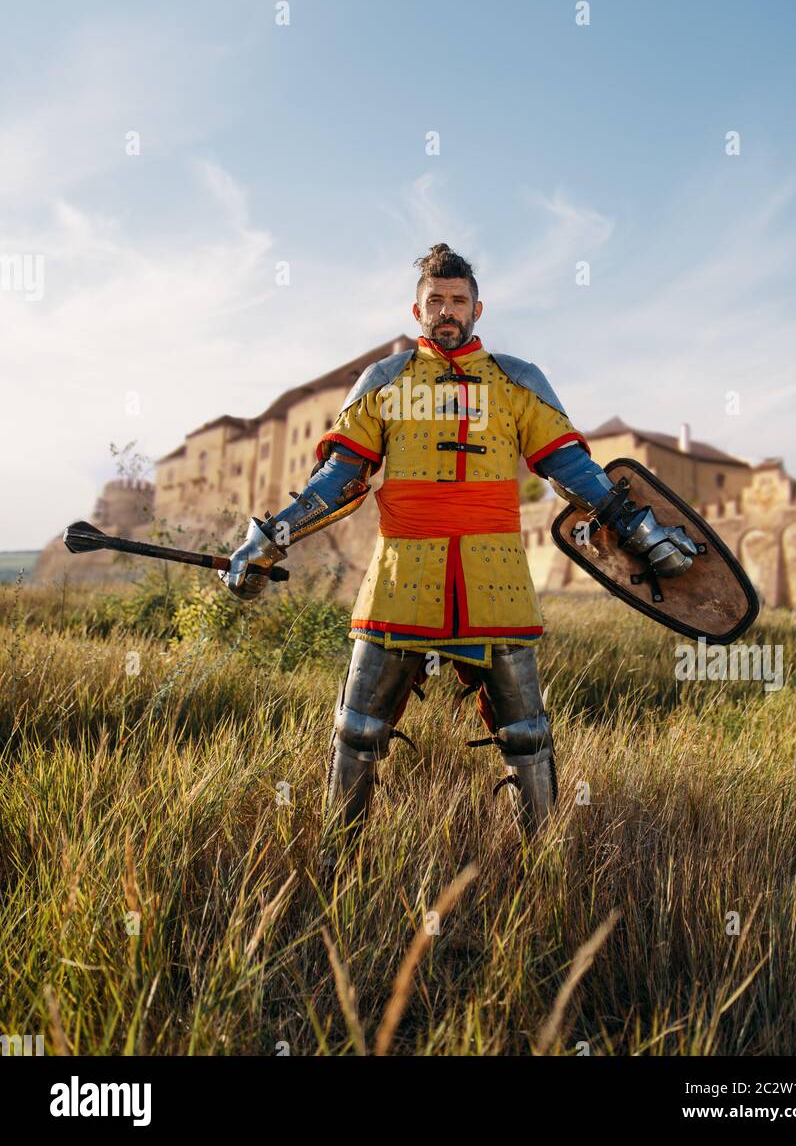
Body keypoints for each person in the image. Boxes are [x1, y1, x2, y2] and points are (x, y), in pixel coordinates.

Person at [220, 244, 696, 845]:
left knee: (527, 734)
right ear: (415, 308)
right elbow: (342, 480)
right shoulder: (384, 383)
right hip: (402, 572)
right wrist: (267, 541)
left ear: (478, 308)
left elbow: (570, 469)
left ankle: (540, 867)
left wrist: (645, 532)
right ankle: (338, 867)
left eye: (458, 301)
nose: (447, 311)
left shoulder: (517, 381)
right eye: (436, 301)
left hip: (492, 574)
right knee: (357, 729)